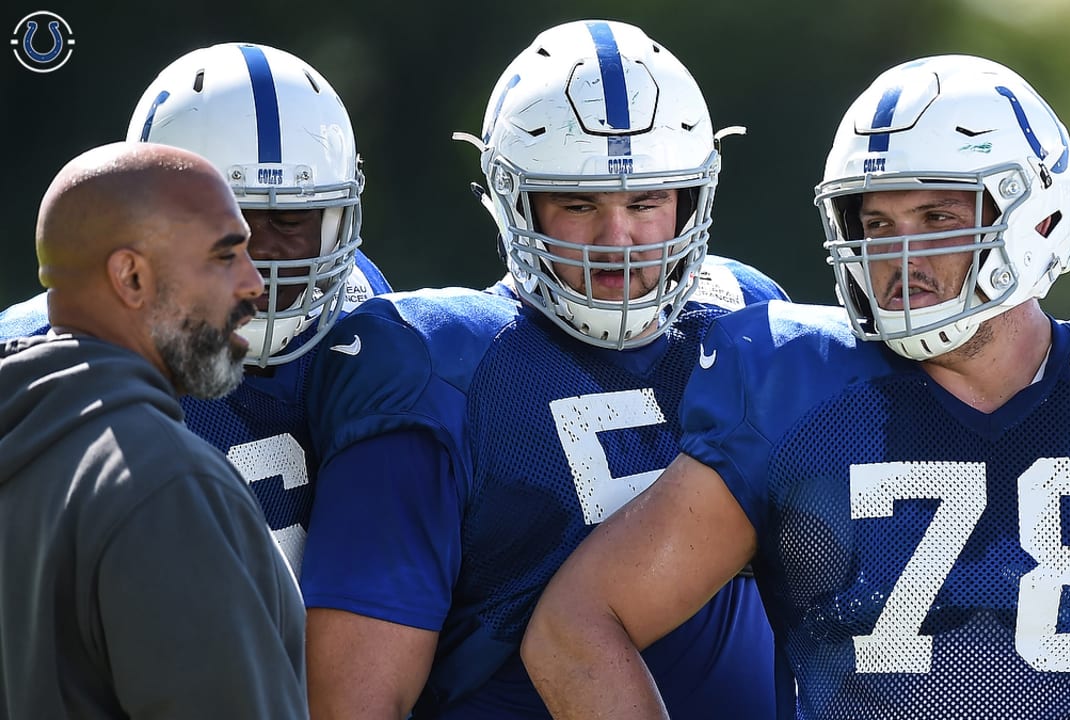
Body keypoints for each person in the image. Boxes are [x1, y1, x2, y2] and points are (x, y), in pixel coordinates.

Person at [522, 54, 1070, 719]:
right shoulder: (796, 395)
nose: (898, 252)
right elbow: (579, 623)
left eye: (935, 215)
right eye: (875, 223)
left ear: (1035, 218)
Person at [300, 19, 789, 719]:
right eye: (579, 203)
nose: (618, 240)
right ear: (513, 200)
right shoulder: (435, 363)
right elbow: (357, 702)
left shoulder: (744, 318)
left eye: (646, 202)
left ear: (690, 198)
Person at [0, 42, 392, 578]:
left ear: (334, 220)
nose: (264, 259)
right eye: (236, 227)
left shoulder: (362, 306)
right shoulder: (44, 356)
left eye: (293, 221)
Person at [0, 141, 306, 719]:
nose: (254, 285)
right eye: (225, 256)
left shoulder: (27, 440)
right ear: (131, 277)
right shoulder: (164, 482)